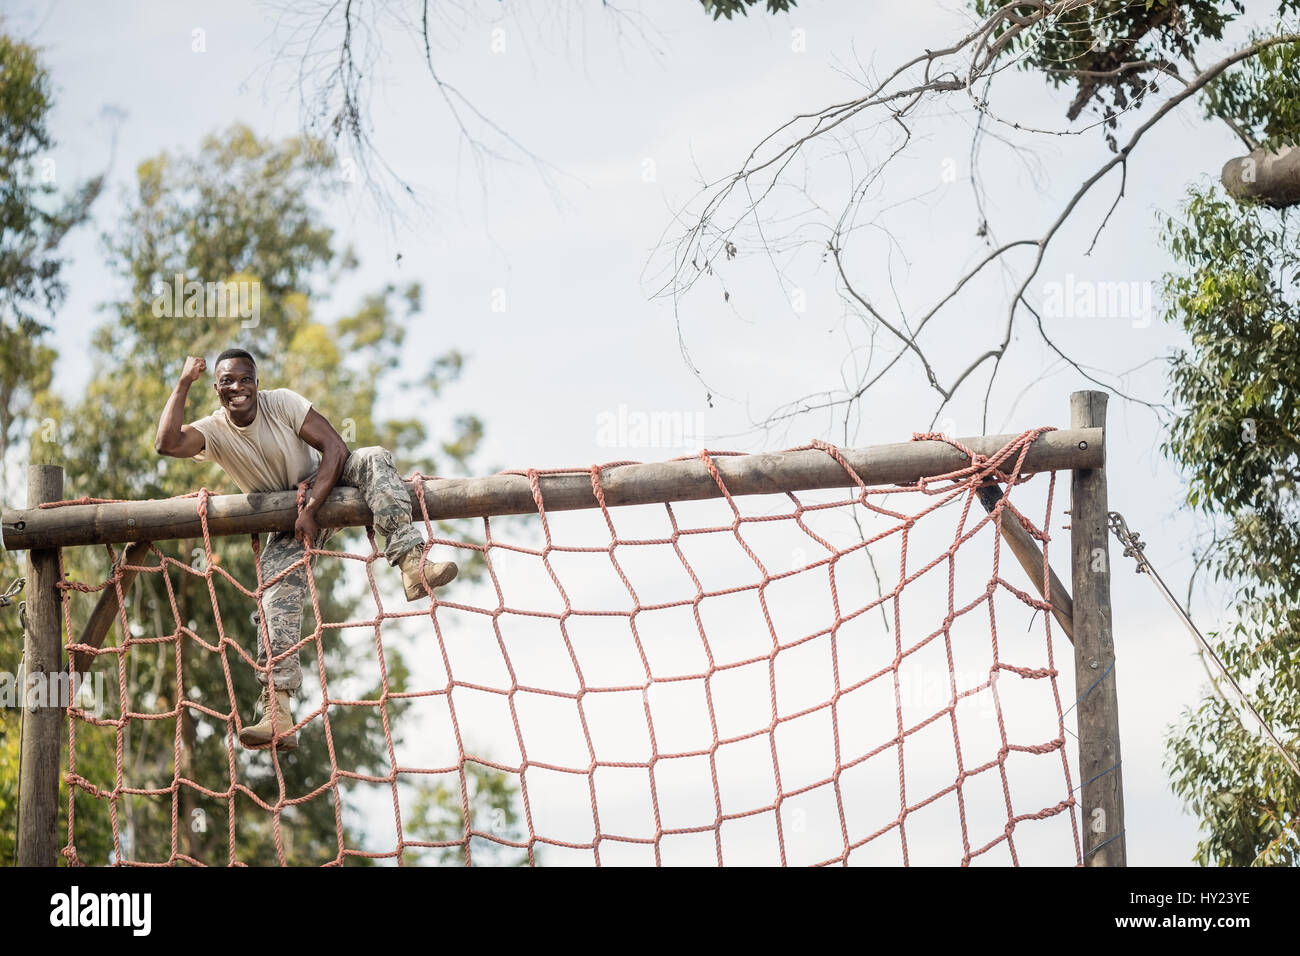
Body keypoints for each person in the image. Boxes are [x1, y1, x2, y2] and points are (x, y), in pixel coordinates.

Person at [154, 348, 457, 752]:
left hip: (328, 483)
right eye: (227, 381)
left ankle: (412, 564)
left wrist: (312, 506)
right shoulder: (215, 431)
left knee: (373, 458)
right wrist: (183, 382)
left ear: (257, 384)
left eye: (245, 379)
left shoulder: (281, 403)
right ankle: (276, 711)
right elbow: (166, 443)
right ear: (217, 389)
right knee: (274, 596)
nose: (237, 388)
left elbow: (335, 446)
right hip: (285, 519)